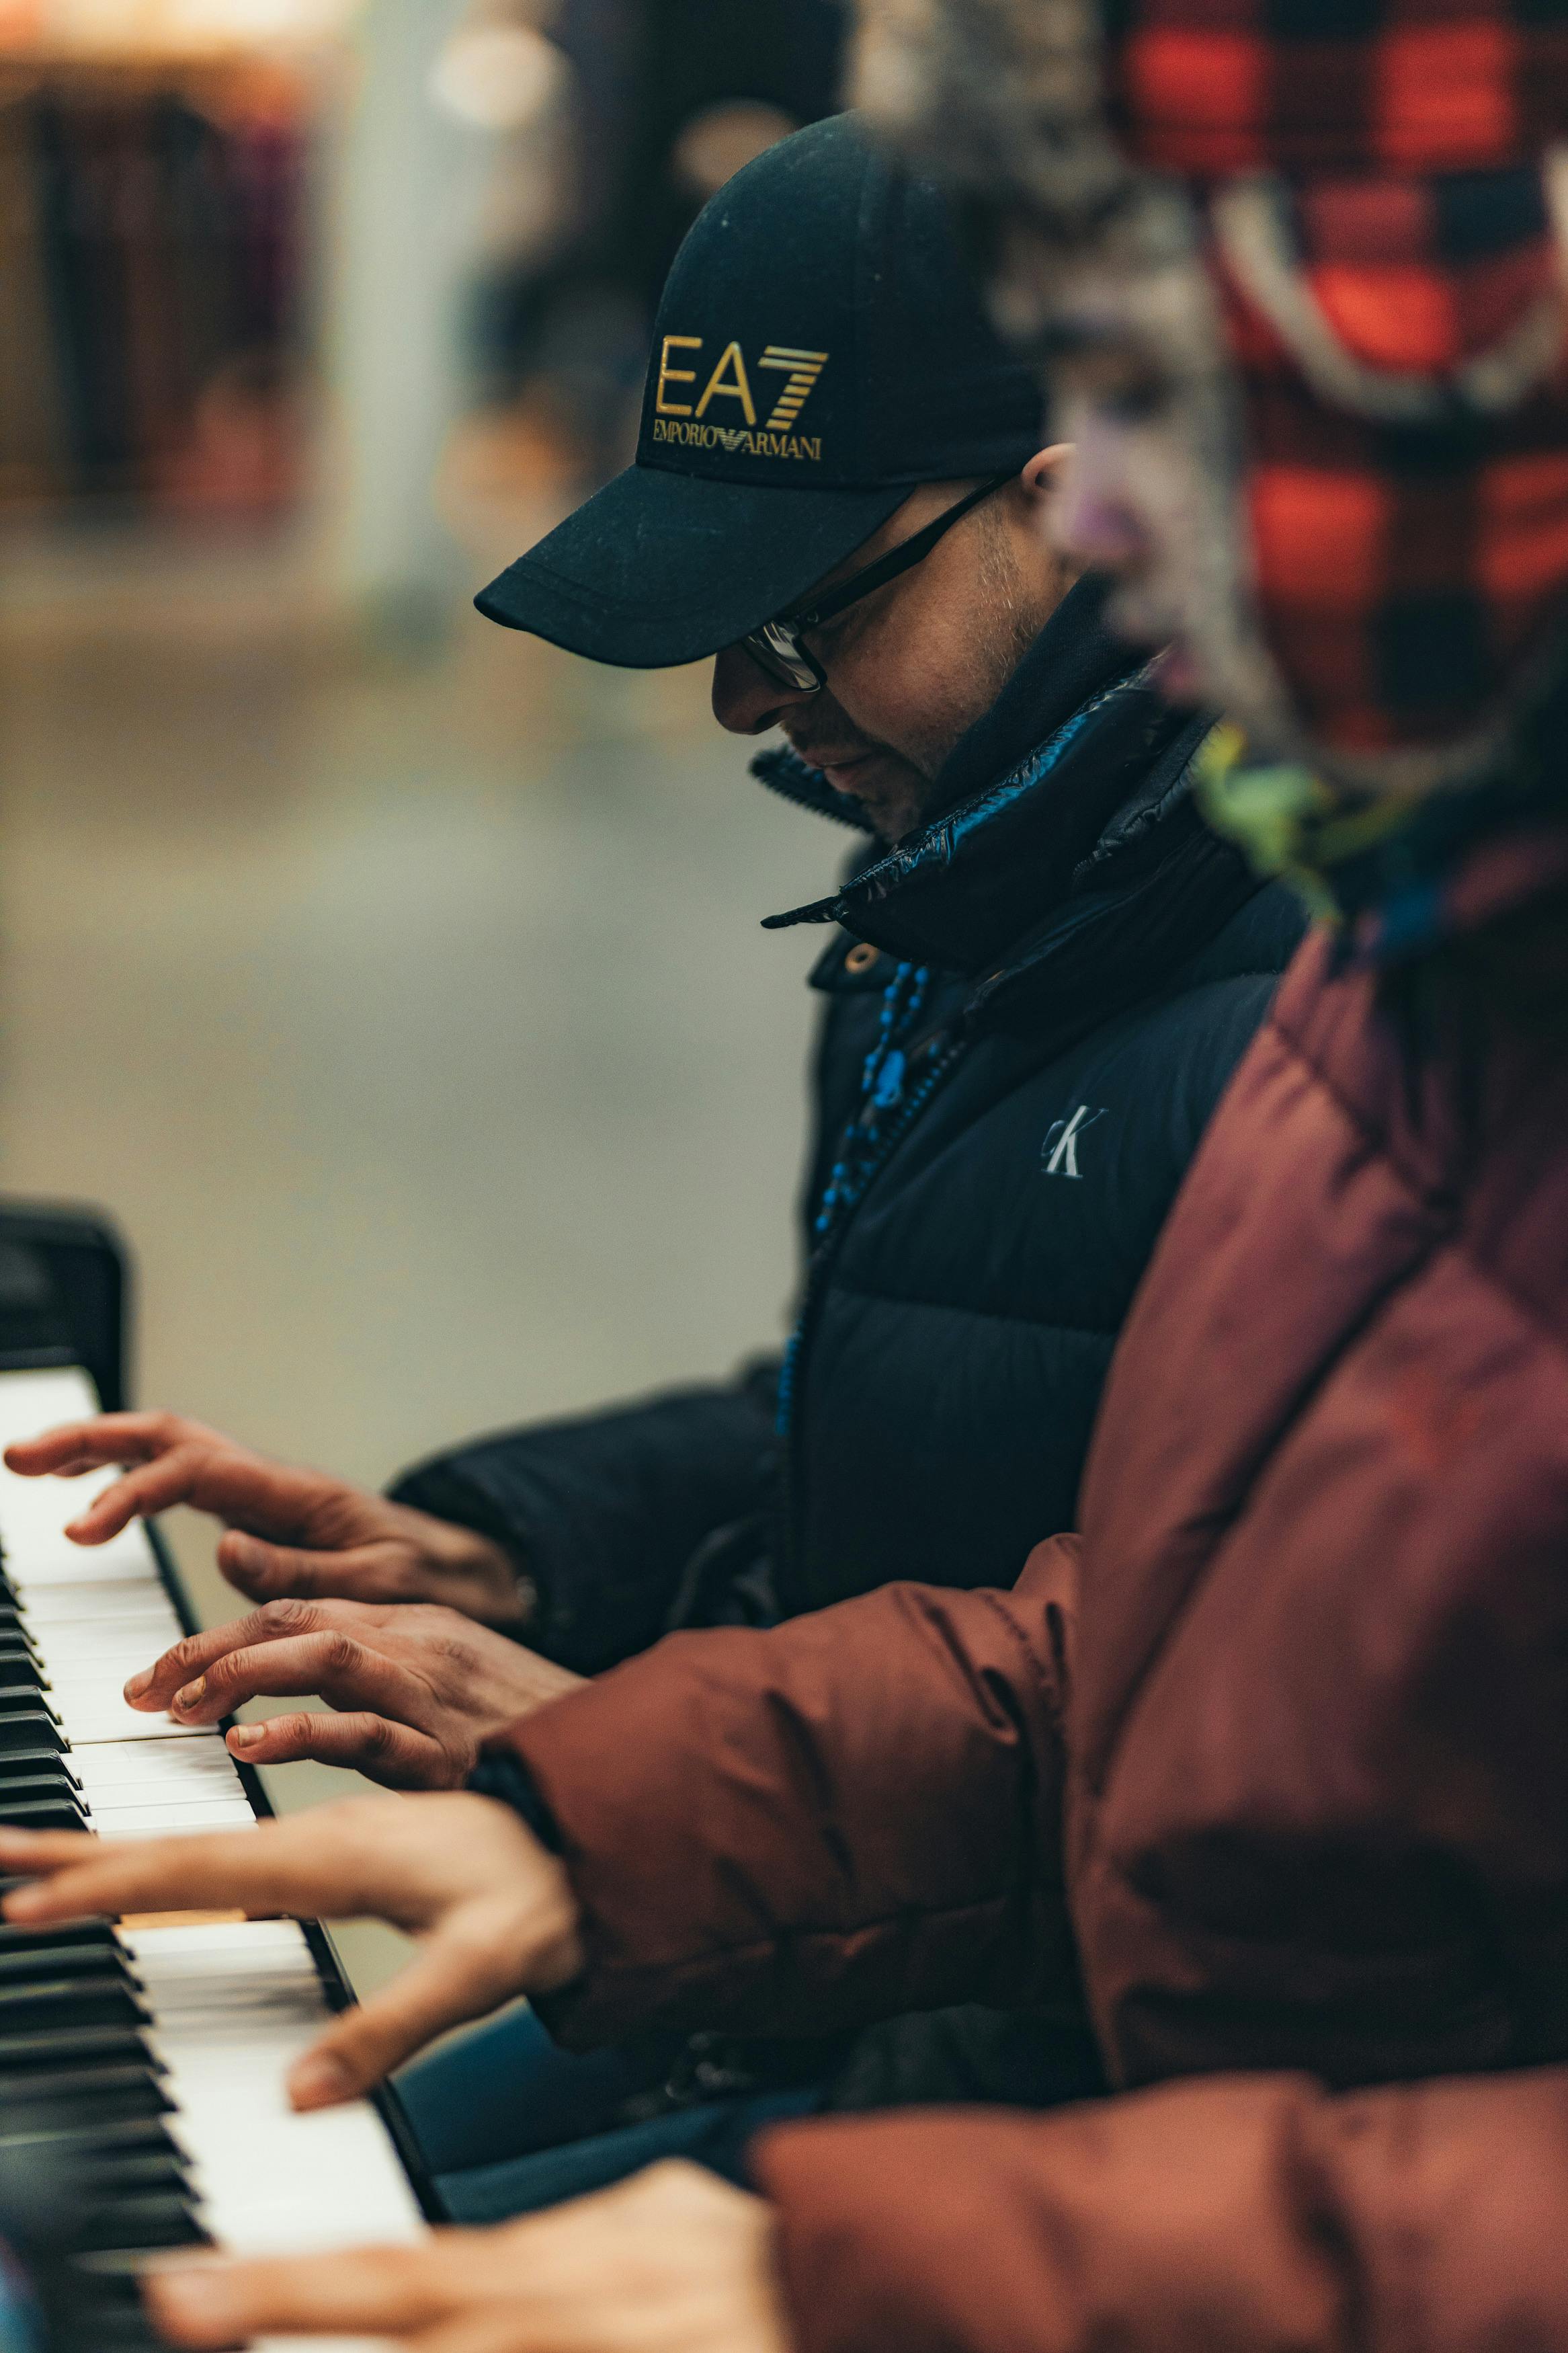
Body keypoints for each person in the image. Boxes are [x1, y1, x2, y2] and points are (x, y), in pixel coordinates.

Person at [26, 5, 1568, 2340]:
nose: (1147, 513)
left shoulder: (1324, 954)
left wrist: (872, 2252)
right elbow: (1169, 1618)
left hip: (1139, 2131)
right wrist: (581, 1735)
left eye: (1238, 407)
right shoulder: (1373, 946)